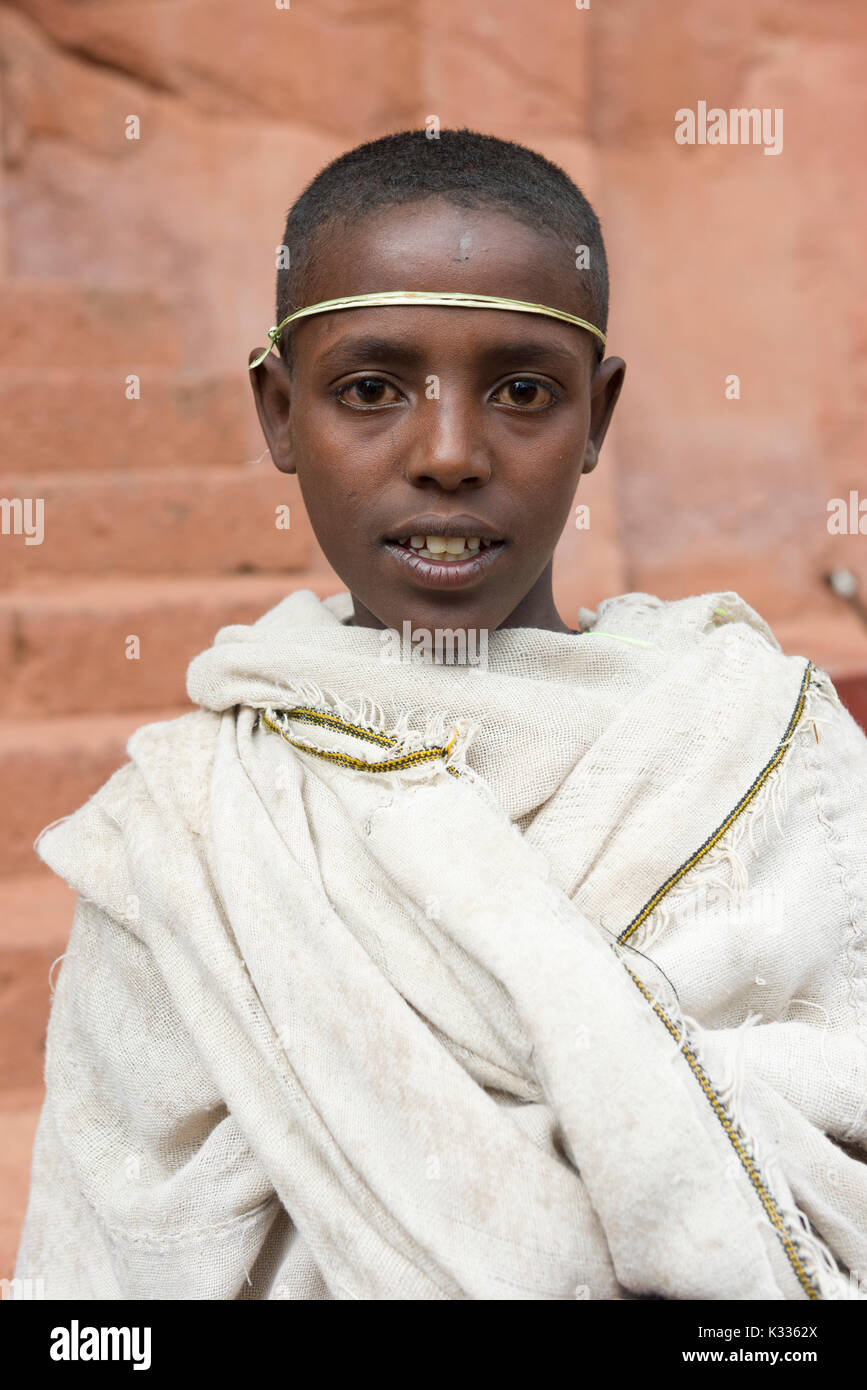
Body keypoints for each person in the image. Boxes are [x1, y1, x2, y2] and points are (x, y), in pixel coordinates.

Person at [14, 128, 867, 1300]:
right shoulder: (188, 835)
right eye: (370, 389)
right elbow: (105, 1277)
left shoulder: (764, 749)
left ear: (597, 418)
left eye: (523, 390)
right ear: (278, 411)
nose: (451, 453)